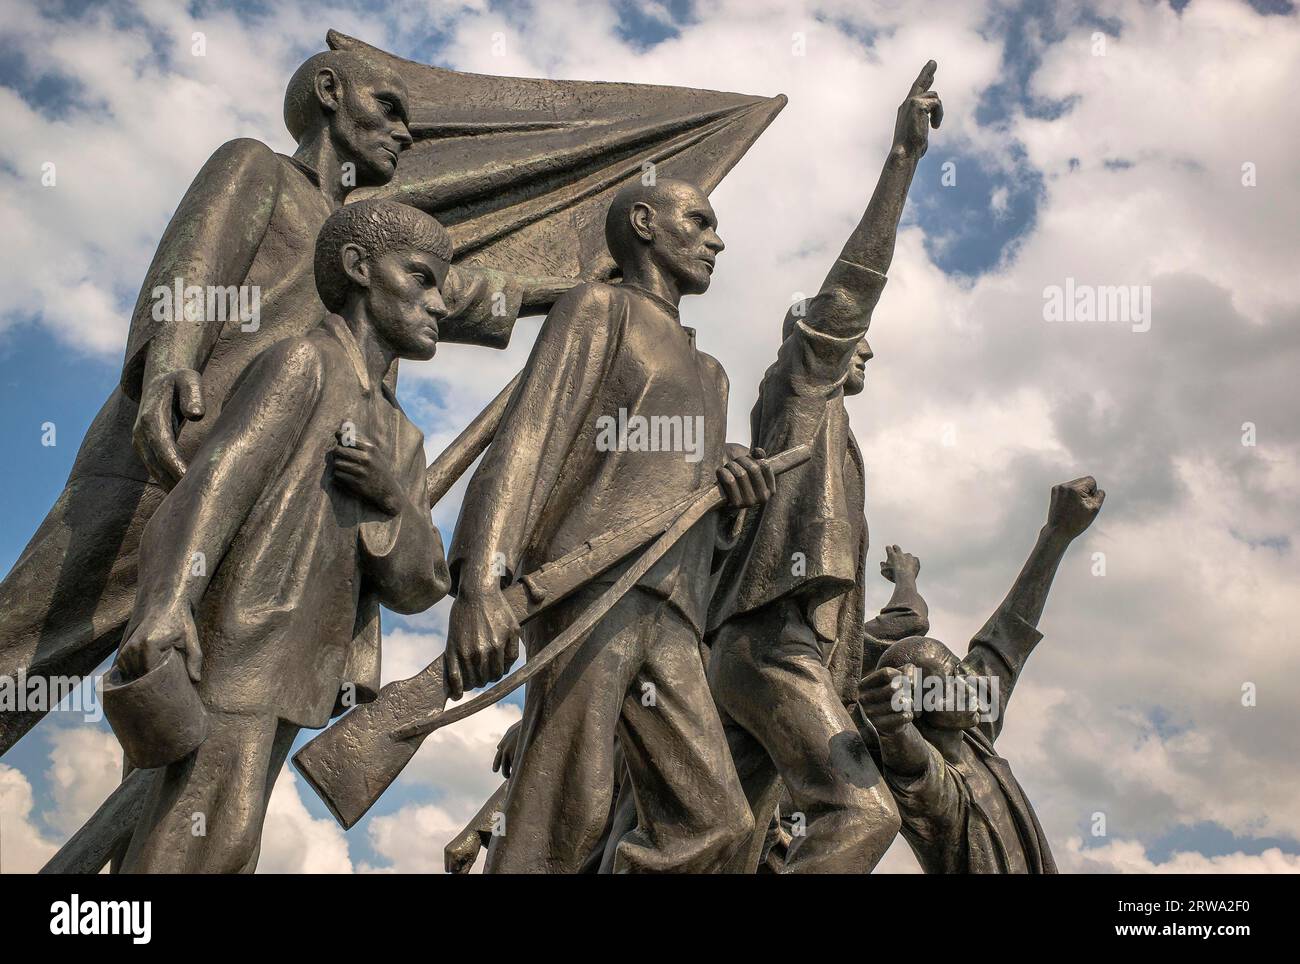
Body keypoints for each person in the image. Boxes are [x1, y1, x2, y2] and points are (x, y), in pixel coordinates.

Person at [0, 45, 571, 756]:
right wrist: (172, 361)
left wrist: (594, 283)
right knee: (24, 651)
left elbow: (471, 293)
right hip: (176, 453)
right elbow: (194, 263)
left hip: (278, 510)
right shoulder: (259, 168)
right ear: (331, 92)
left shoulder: (374, 248)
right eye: (389, 108)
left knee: (191, 720)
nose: (407, 133)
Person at [445, 175, 776, 873]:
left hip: (674, 605)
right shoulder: (597, 310)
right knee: (563, 805)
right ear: (646, 223)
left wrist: (731, 495)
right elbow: (528, 443)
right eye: (701, 221)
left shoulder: (712, 374)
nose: (718, 240)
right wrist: (481, 579)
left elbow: (694, 506)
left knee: (713, 819)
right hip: (592, 584)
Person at [114, 198, 454, 873]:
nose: (441, 303)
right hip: (238, 645)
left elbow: (423, 584)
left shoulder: (402, 438)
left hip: (303, 667)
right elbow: (213, 488)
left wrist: (393, 500)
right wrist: (168, 599)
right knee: (196, 839)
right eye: (422, 277)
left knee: (229, 841)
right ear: (359, 267)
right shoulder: (303, 362)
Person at [704, 62, 943, 873]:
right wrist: (902, 161)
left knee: (721, 844)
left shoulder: (838, 447)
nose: (864, 347)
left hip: (788, 653)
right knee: (862, 813)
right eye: (847, 338)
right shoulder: (798, 391)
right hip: (772, 646)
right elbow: (850, 294)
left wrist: (906, 581)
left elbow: (899, 627)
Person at [857, 477, 1105, 873]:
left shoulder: (977, 732)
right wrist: (890, 724)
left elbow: (1009, 631)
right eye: (948, 683)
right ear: (918, 704)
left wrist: (1056, 534)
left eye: (959, 670)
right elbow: (907, 757)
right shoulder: (933, 787)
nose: (968, 686)